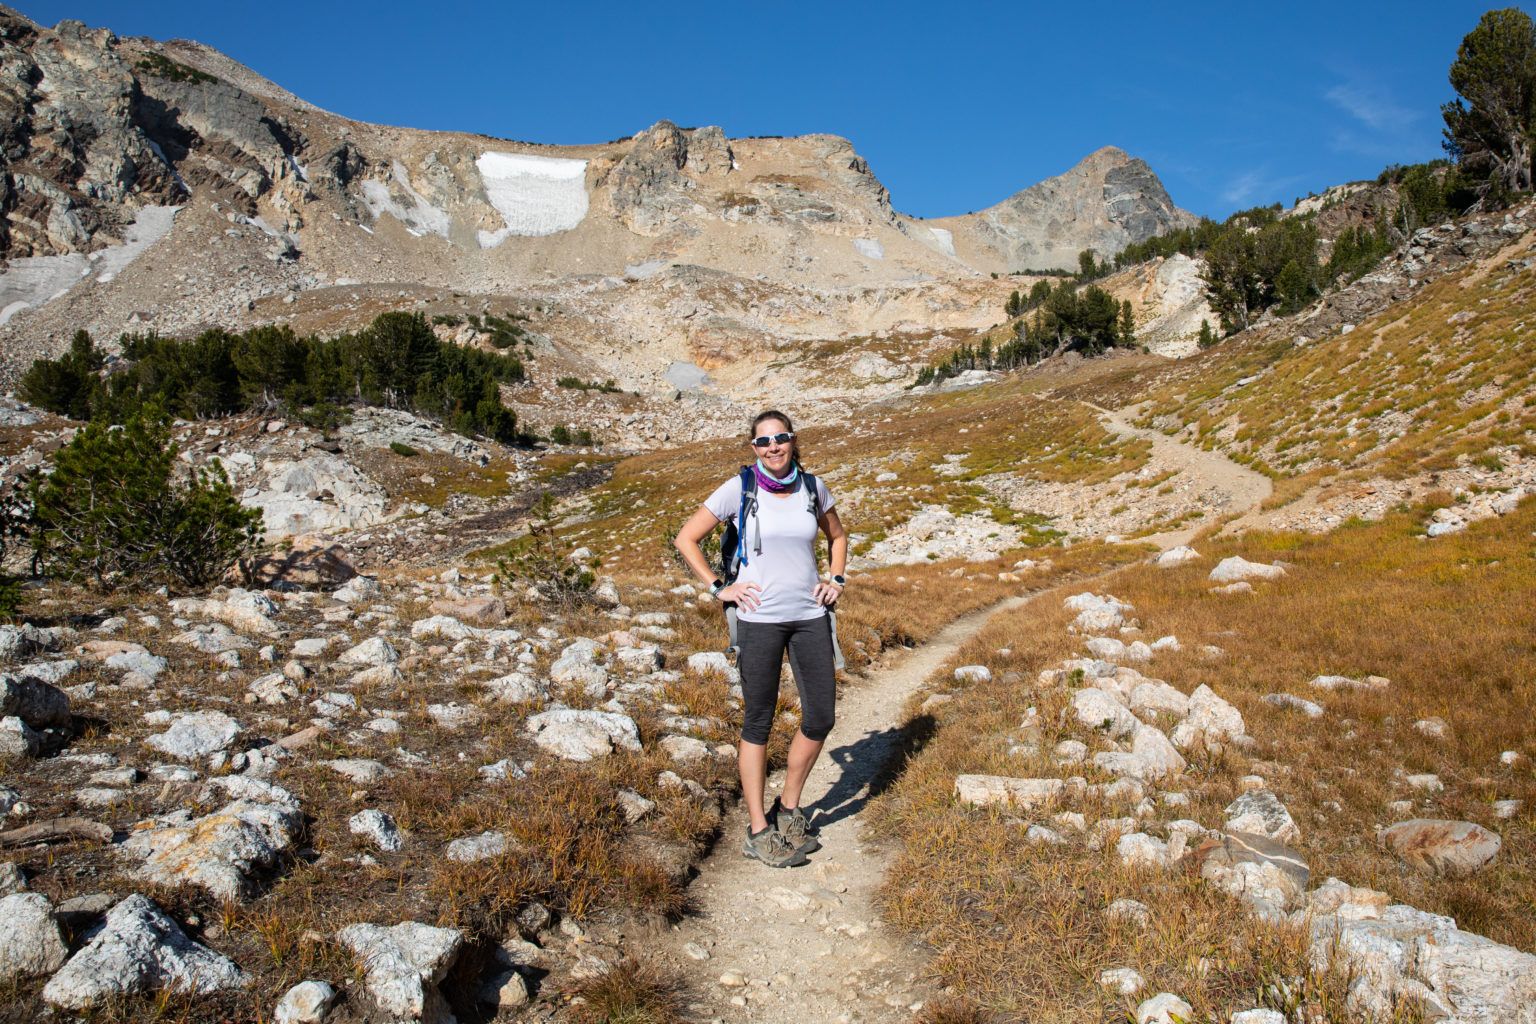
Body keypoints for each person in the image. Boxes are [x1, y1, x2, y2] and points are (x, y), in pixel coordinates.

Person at [674, 410, 848, 868]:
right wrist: (719, 587)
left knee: (821, 716)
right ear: (752, 447)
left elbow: (838, 536)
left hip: (811, 616)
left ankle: (788, 808)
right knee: (758, 722)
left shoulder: (813, 488)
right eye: (762, 441)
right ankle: (757, 829)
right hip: (757, 619)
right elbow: (686, 538)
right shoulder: (739, 488)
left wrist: (836, 579)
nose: (772, 447)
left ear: (793, 441)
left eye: (781, 438)